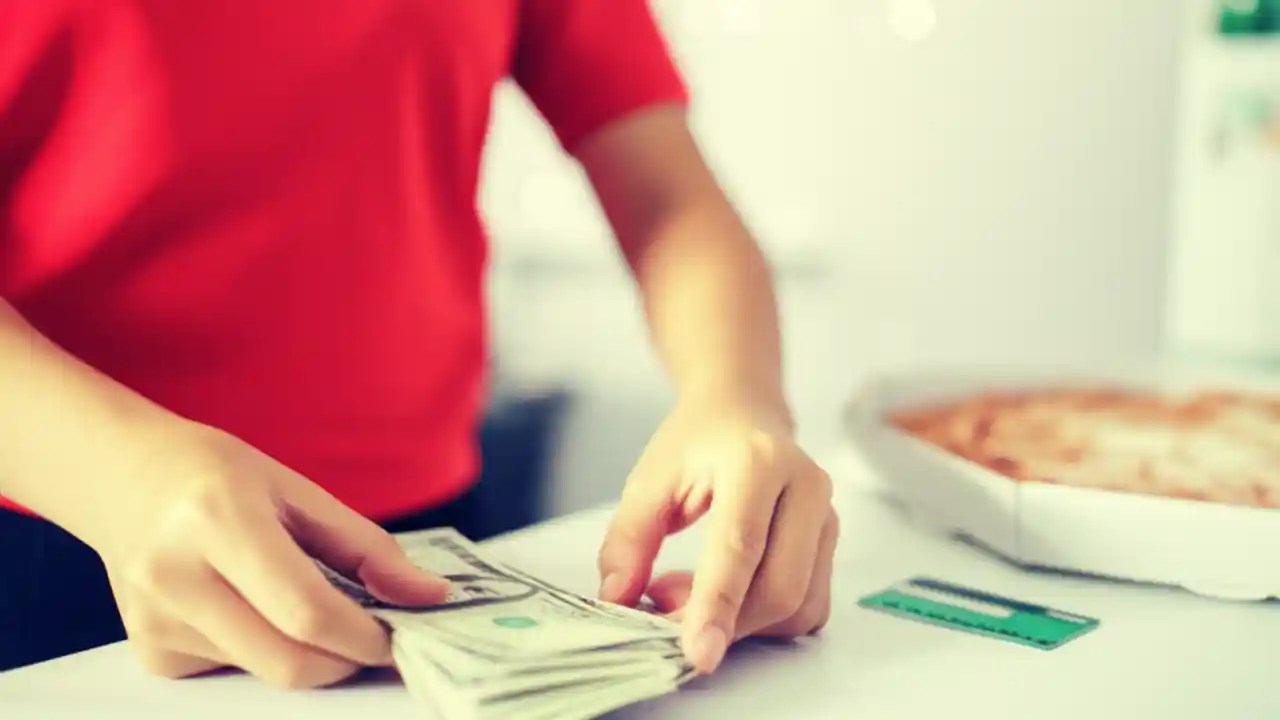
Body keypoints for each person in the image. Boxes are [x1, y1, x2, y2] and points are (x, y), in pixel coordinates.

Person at [0, 0, 838, 686]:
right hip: (53, 526)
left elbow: (667, 195)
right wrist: (111, 474)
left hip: (429, 538)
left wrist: (737, 397)